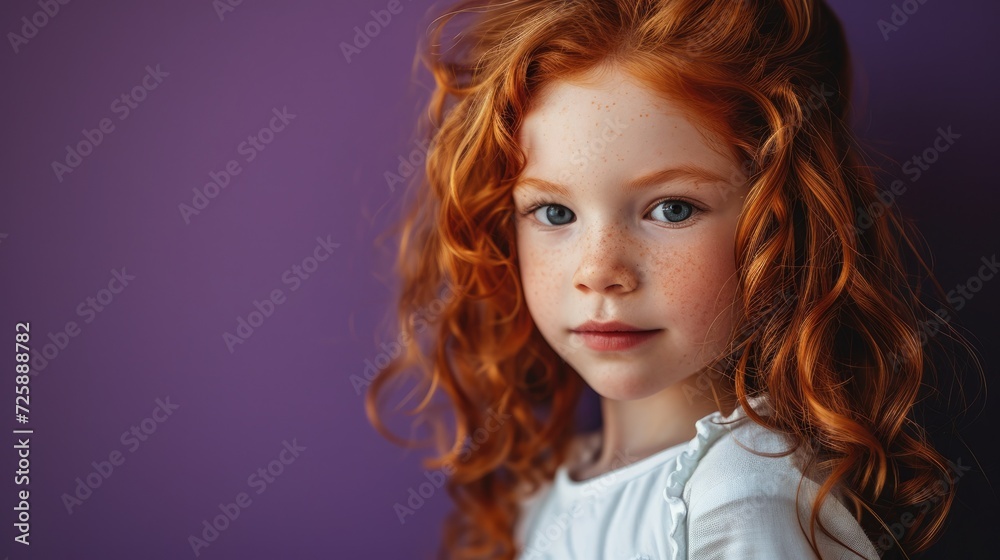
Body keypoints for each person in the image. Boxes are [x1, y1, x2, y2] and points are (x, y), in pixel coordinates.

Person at [364, 1, 982, 558]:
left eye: (672, 209)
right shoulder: (548, 491)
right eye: (555, 213)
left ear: (777, 224)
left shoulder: (740, 504)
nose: (599, 272)